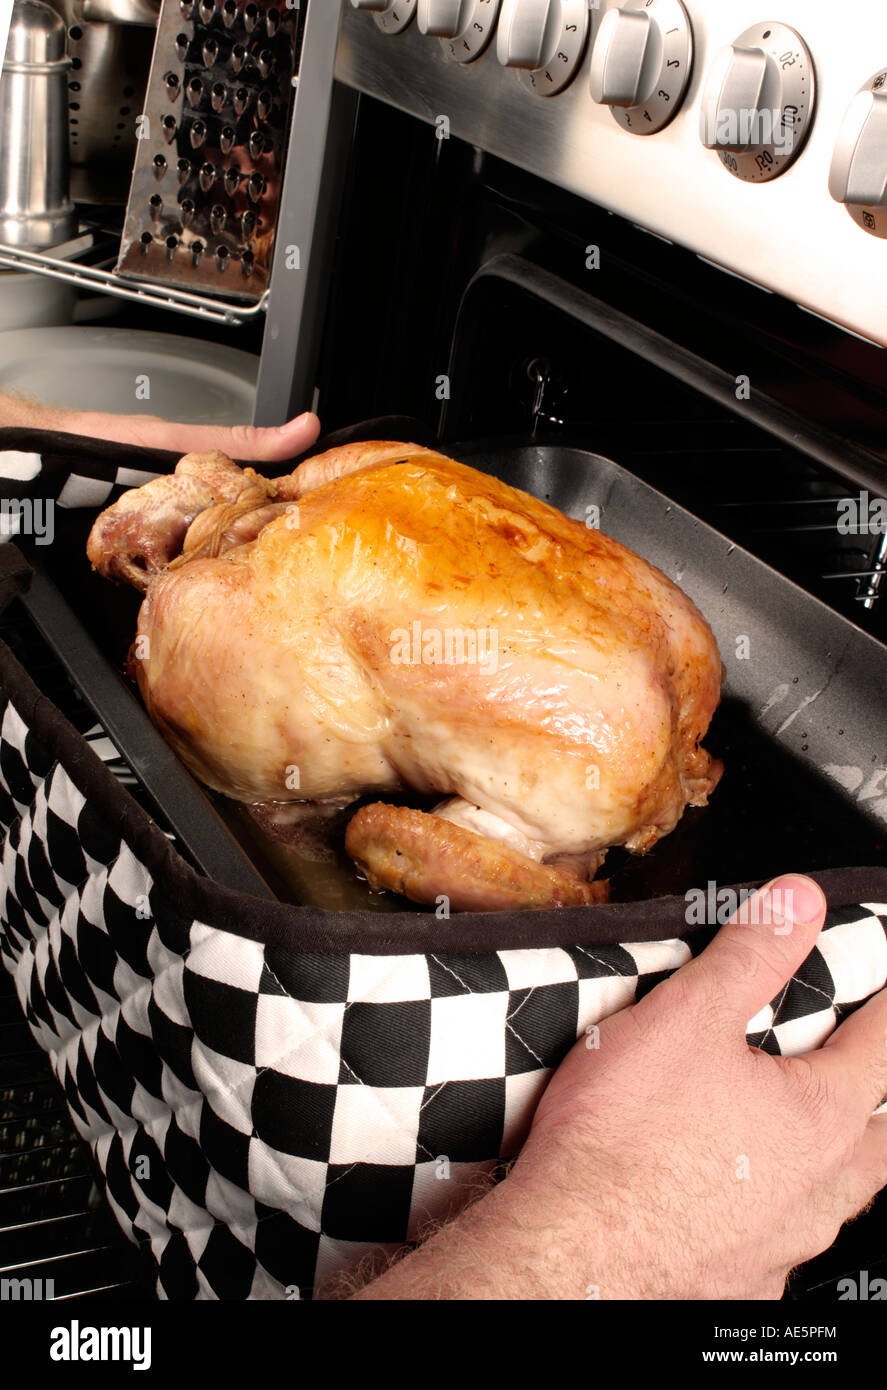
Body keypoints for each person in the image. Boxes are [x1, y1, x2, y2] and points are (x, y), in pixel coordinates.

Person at [2, 394, 885, 1301]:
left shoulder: (659, 692)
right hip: (387, 540)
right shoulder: (695, 658)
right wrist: (609, 1246)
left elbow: (392, 839)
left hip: (362, 529)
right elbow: (384, 844)